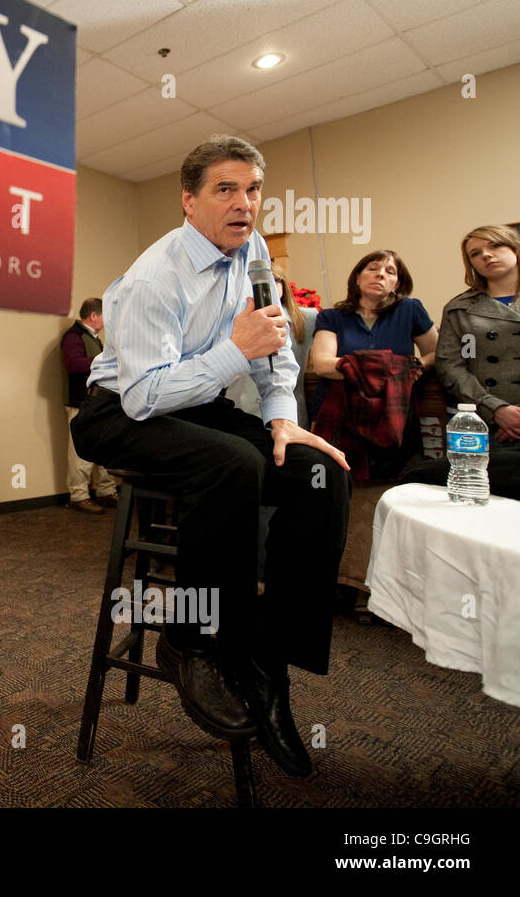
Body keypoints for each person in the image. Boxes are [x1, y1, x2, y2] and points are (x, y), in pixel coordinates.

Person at [72, 135, 351, 779]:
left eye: (253, 189)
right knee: (232, 465)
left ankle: (265, 659)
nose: (244, 203)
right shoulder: (153, 276)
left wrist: (283, 418)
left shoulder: (252, 253)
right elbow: (144, 397)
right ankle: (190, 639)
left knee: (319, 473)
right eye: (225, 189)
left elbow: (276, 347)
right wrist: (235, 350)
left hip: (192, 401)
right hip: (121, 409)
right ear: (189, 201)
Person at [400, 224, 520, 499]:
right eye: (476, 253)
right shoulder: (460, 308)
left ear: (514, 248)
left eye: (495, 246)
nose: (486, 256)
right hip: (489, 426)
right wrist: (497, 410)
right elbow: (451, 366)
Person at [309, 251, 438, 480]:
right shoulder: (331, 316)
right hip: (339, 411)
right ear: (357, 277)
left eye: (390, 272)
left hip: (396, 412)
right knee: (335, 480)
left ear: (396, 284)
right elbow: (322, 365)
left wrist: (417, 365)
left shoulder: (410, 310)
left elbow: (437, 353)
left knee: (397, 482)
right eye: (373, 269)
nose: (380, 275)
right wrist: (397, 369)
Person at [225, 263, 318, 426]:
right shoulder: (232, 320)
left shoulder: (307, 319)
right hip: (241, 401)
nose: (269, 285)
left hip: (287, 407)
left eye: (275, 280)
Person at [61, 299, 118, 514]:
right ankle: (79, 495)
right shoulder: (73, 337)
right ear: (93, 316)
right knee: (79, 454)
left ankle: (105, 491)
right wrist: (104, 360)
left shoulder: (93, 338)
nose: (107, 320)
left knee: (103, 449)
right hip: (79, 403)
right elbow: (73, 365)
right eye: (105, 315)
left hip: (96, 403)